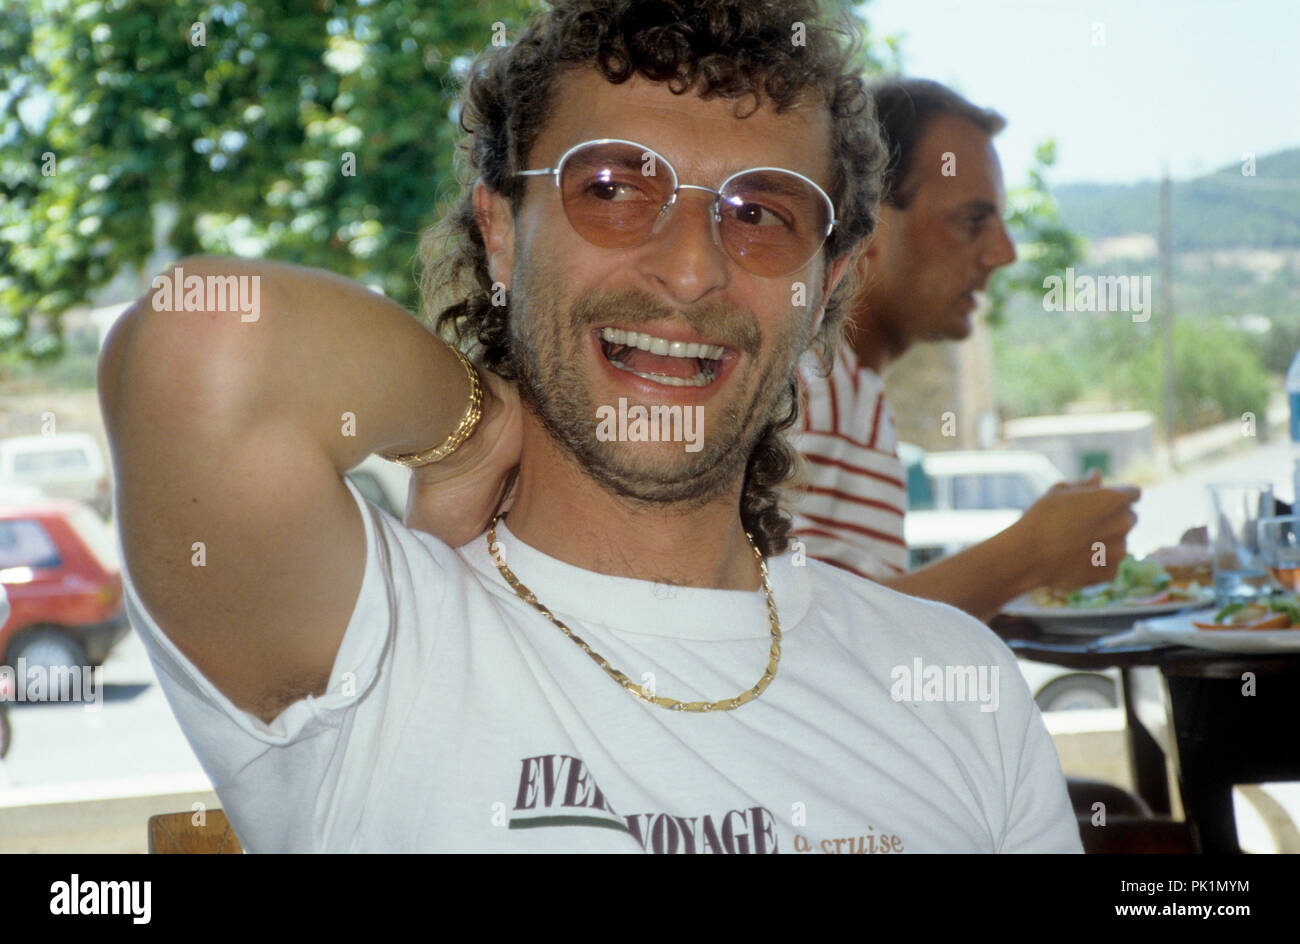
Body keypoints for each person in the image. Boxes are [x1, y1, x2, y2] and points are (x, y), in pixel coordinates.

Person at [99, 2, 1081, 852]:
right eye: (611, 189)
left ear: (823, 285)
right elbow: (204, 338)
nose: (690, 268)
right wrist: (472, 425)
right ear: (499, 233)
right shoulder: (379, 643)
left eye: (761, 214)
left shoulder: (962, 688)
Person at [790, 77, 1140, 622]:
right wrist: (1030, 555)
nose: (1003, 253)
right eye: (972, 221)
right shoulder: (812, 382)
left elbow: (853, 621)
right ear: (869, 225)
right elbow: (794, 638)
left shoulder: (853, 391)